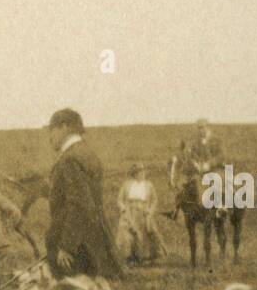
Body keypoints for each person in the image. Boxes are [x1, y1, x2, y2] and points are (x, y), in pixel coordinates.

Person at [43, 108, 123, 279]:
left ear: (63, 127)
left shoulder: (69, 159)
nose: (50, 138)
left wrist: (66, 246)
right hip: (93, 241)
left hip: (76, 249)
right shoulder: (88, 154)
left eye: (51, 131)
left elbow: (78, 204)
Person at [117, 163, 165, 265]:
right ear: (134, 174)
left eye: (142, 172)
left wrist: (150, 211)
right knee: (127, 231)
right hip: (129, 210)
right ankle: (129, 257)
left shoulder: (148, 185)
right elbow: (120, 199)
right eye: (138, 172)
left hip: (143, 210)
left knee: (144, 232)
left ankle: (145, 258)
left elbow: (154, 200)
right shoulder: (127, 184)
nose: (141, 174)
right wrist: (123, 209)